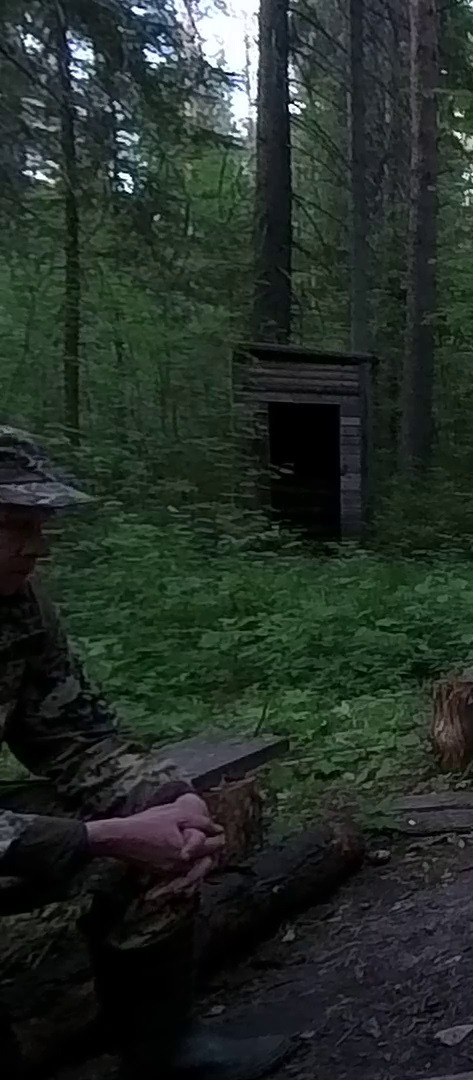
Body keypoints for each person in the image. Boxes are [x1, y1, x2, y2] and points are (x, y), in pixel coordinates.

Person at [0, 427, 293, 1079]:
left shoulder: (19, 609)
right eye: (17, 523)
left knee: (159, 833)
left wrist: (171, 800)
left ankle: (164, 1051)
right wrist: (105, 835)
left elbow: (80, 734)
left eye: (41, 523)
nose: (38, 546)